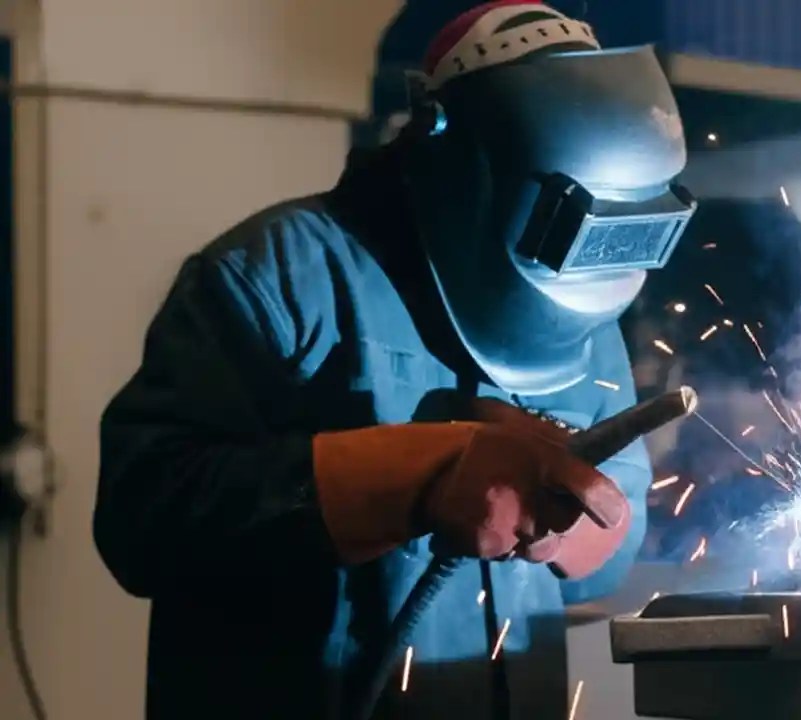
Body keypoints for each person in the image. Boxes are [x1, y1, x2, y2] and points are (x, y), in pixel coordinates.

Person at [92, 2, 695, 718]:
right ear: (454, 153)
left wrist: (563, 521)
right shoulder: (281, 275)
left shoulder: (584, 318)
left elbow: (609, 556)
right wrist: (414, 480)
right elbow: (144, 519)